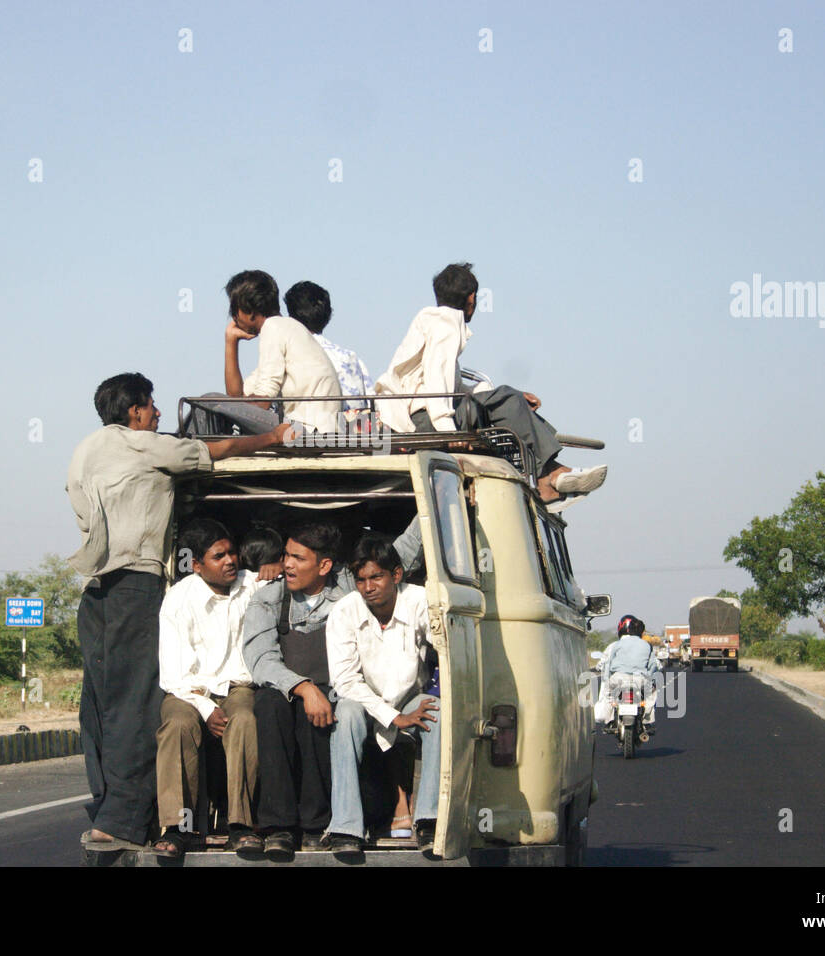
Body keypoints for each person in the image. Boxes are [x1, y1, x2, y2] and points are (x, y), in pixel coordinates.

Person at [66, 372, 291, 850]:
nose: (159, 414)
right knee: (136, 706)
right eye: (152, 406)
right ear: (134, 412)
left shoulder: (85, 450)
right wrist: (271, 437)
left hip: (94, 591)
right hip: (135, 584)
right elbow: (211, 453)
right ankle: (124, 820)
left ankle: (105, 807)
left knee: (99, 708)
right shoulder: (142, 444)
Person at [241, 518, 423, 859]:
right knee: (268, 705)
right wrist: (303, 687)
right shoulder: (268, 598)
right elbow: (261, 660)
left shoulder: (350, 587)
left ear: (325, 565)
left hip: (338, 692)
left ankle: (317, 825)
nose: (288, 564)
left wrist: (438, 492)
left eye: (298, 558)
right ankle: (278, 826)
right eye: (286, 555)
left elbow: (402, 554)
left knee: (330, 712)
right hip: (288, 691)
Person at [374, 263, 607, 510]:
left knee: (508, 398)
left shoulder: (434, 320)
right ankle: (550, 475)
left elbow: (451, 387)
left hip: (421, 415)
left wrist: (512, 397)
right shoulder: (446, 324)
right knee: (506, 399)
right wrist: (448, 431)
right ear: (471, 298)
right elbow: (436, 381)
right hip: (422, 422)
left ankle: (549, 476)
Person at [154, 519, 266, 858]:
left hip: (237, 686)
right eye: (219, 556)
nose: (230, 560)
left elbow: (281, 580)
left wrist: (273, 565)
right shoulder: (179, 598)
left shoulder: (251, 585)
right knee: (177, 726)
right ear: (198, 565)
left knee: (245, 720)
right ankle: (178, 829)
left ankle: (240, 825)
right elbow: (173, 674)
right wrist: (205, 708)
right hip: (189, 691)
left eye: (232, 552)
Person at [326, 534, 440, 855]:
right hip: (363, 701)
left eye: (376, 576)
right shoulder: (344, 611)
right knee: (344, 713)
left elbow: (446, 647)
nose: (368, 587)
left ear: (397, 575)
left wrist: (410, 708)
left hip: (410, 697)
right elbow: (345, 681)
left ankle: (429, 820)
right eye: (361, 580)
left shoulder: (418, 600)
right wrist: (392, 716)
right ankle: (346, 827)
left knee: (437, 710)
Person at [222, 270, 343, 434]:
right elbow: (237, 395)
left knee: (209, 401)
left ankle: (190, 448)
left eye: (235, 310)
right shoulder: (285, 328)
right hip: (314, 426)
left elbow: (262, 402)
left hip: (308, 429)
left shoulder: (273, 328)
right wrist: (231, 341)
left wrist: (228, 407)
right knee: (218, 403)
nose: (233, 317)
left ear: (249, 311)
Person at [284, 280, 376, 420]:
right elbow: (370, 403)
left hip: (312, 433)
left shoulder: (291, 356)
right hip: (358, 432)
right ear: (328, 315)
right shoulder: (350, 357)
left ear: (291, 318)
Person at [602, 614, 660, 728]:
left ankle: (609, 721)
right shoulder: (647, 645)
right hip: (640, 680)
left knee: (607, 696)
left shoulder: (617, 644)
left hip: (618, 678)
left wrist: (606, 679)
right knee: (651, 694)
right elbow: (653, 666)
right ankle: (647, 721)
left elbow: (609, 664)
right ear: (641, 632)